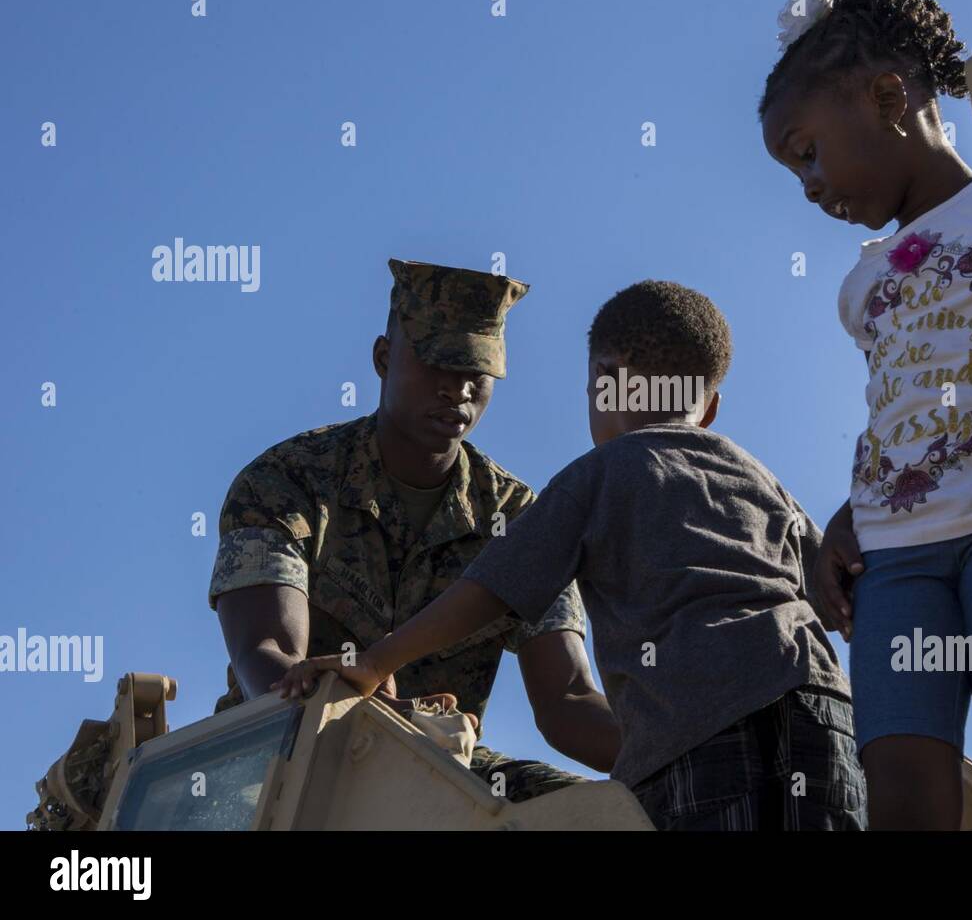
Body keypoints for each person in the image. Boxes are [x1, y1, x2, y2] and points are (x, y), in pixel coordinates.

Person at [277, 280, 866, 831]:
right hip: (824, 716)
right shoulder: (758, 478)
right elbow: (839, 590)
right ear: (709, 408)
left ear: (604, 382)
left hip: (701, 737)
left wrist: (378, 661)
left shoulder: (596, 476)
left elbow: (491, 588)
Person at [759, 0, 972, 828]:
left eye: (807, 150)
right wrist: (848, 514)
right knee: (902, 797)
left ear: (887, 96)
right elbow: (906, 411)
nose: (807, 183)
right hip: (896, 557)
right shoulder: (862, 281)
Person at [208, 258, 620, 802]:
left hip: (436, 763)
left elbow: (567, 701)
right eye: (436, 366)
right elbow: (270, 656)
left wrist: (684, 750)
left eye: (476, 373)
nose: (458, 391)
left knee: (589, 812)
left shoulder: (518, 516)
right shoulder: (286, 481)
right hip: (277, 755)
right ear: (383, 358)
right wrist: (372, 719)